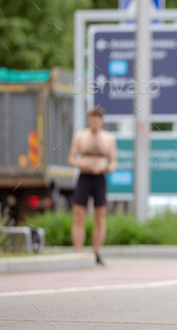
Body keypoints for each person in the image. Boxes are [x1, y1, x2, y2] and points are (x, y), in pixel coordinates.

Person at [68, 107, 117, 265]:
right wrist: (83, 165)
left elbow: (113, 161)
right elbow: (72, 158)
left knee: (100, 216)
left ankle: (97, 252)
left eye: (97, 121)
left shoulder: (109, 139)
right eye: (91, 121)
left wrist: (108, 168)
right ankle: (77, 251)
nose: (94, 124)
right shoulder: (80, 137)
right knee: (79, 214)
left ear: (101, 121)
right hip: (84, 177)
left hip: (99, 178)